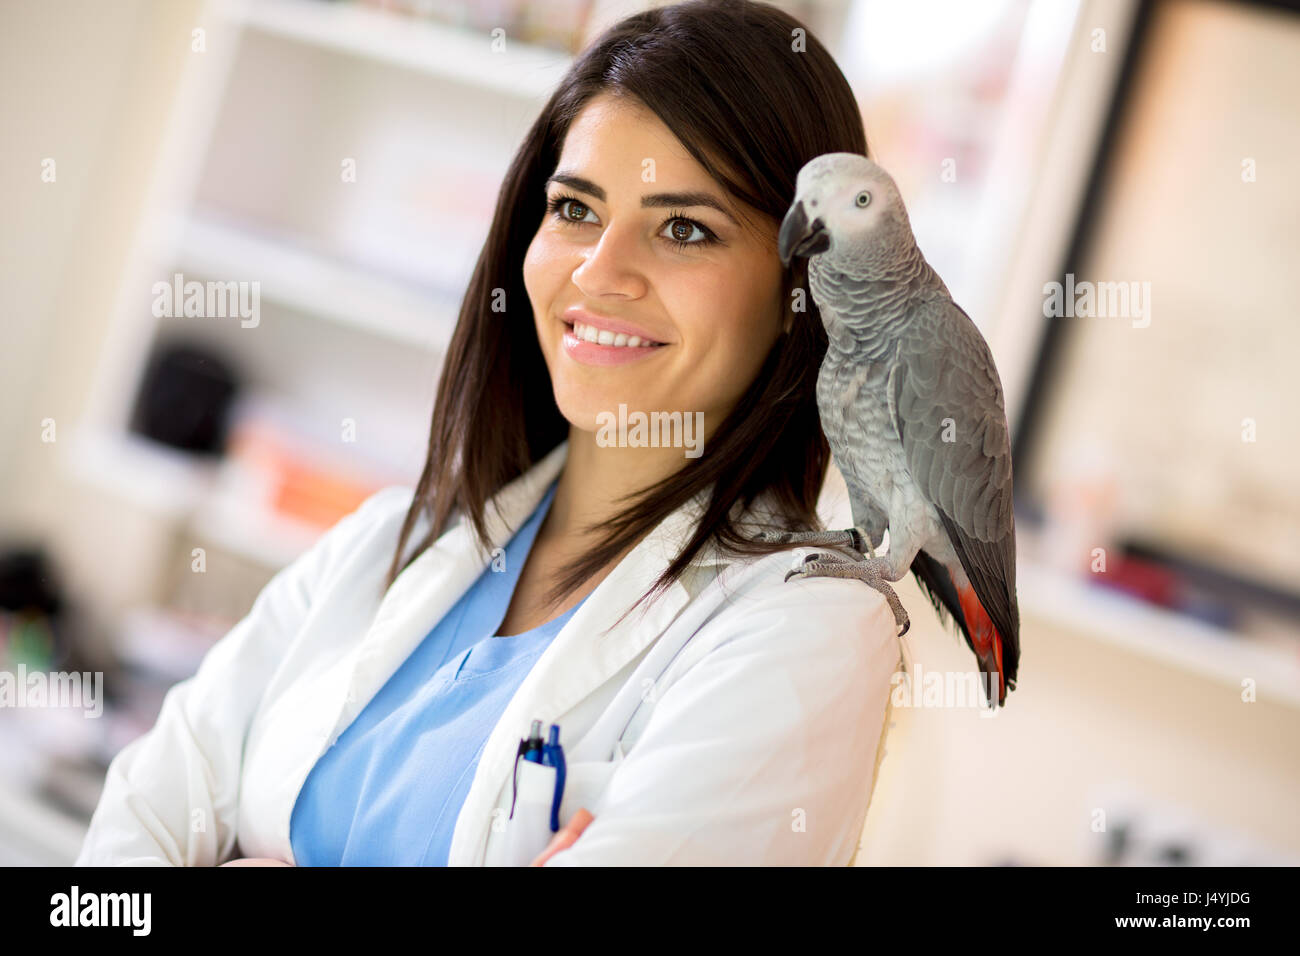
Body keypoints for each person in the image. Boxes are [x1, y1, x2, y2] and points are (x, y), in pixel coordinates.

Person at [75, 0, 904, 867]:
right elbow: (135, 827)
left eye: (685, 228)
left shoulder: (810, 627)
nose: (597, 271)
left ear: (800, 293)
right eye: (576, 209)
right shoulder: (386, 541)